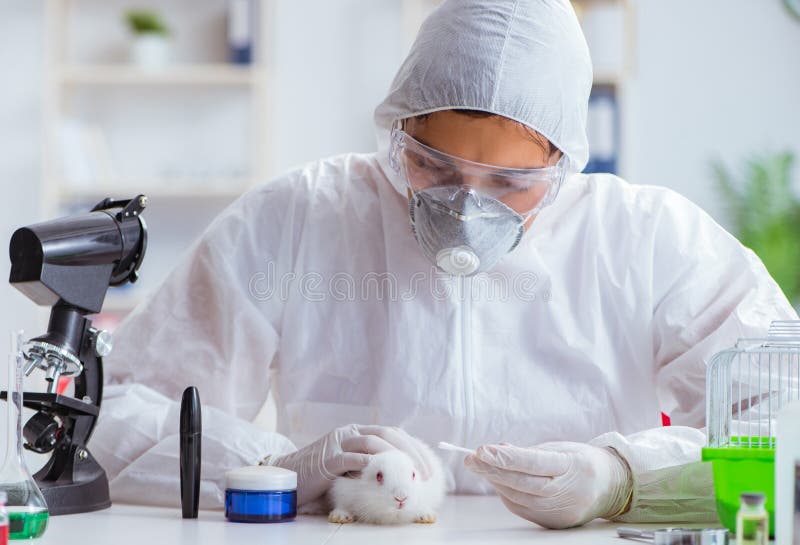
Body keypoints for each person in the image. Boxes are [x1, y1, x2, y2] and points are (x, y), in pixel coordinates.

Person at [92, 0, 796, 530]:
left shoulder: (645, 240)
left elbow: (786, 417)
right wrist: (281, 468)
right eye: (433, 166)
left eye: (510, 184)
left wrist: (625, 478)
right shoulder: (299, 218)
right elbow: (107, 415)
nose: (465, 208)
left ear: (564, 164)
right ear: (397, 131)